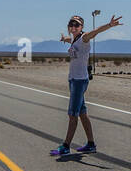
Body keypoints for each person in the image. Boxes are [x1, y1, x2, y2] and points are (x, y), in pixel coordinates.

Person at [52, 13, 123, 156]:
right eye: (71, 24)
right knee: (83, 114)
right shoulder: (74, 38)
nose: (73, 27)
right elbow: (70, 39)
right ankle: (91, 144)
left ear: (82, 27)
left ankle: (66, 146)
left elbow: (95, 32)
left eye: (76, 24)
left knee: (73, 115)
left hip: (79, 81)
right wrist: (64, 39)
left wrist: (109, 25)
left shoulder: (84, 38)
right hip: (73, 80)